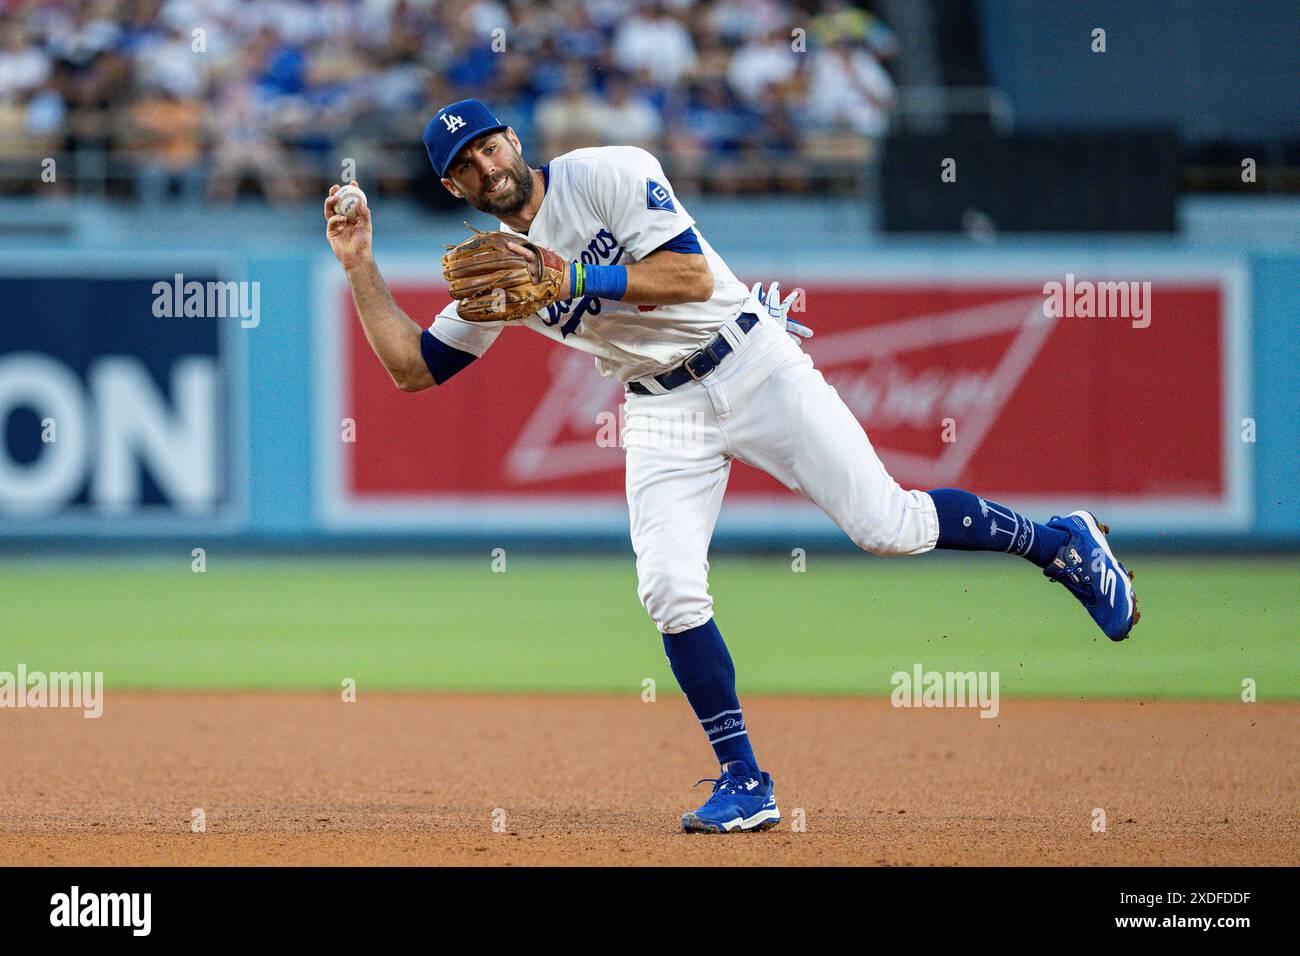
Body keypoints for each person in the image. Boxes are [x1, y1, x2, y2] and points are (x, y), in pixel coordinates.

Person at [322, 99, 1138, 834]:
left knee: (887, 526)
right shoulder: (496, 263)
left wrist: (568, 275)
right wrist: (359, 265)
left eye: (488, 148)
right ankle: (745, 780)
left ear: (513, 139)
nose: (484, 168)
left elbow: (688, 275)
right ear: (456, 190)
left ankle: (1056, 542)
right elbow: (413, 368)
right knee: (668, 588)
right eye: (463, 167)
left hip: (751, 361)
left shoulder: (610, 172)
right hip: (660, 409)